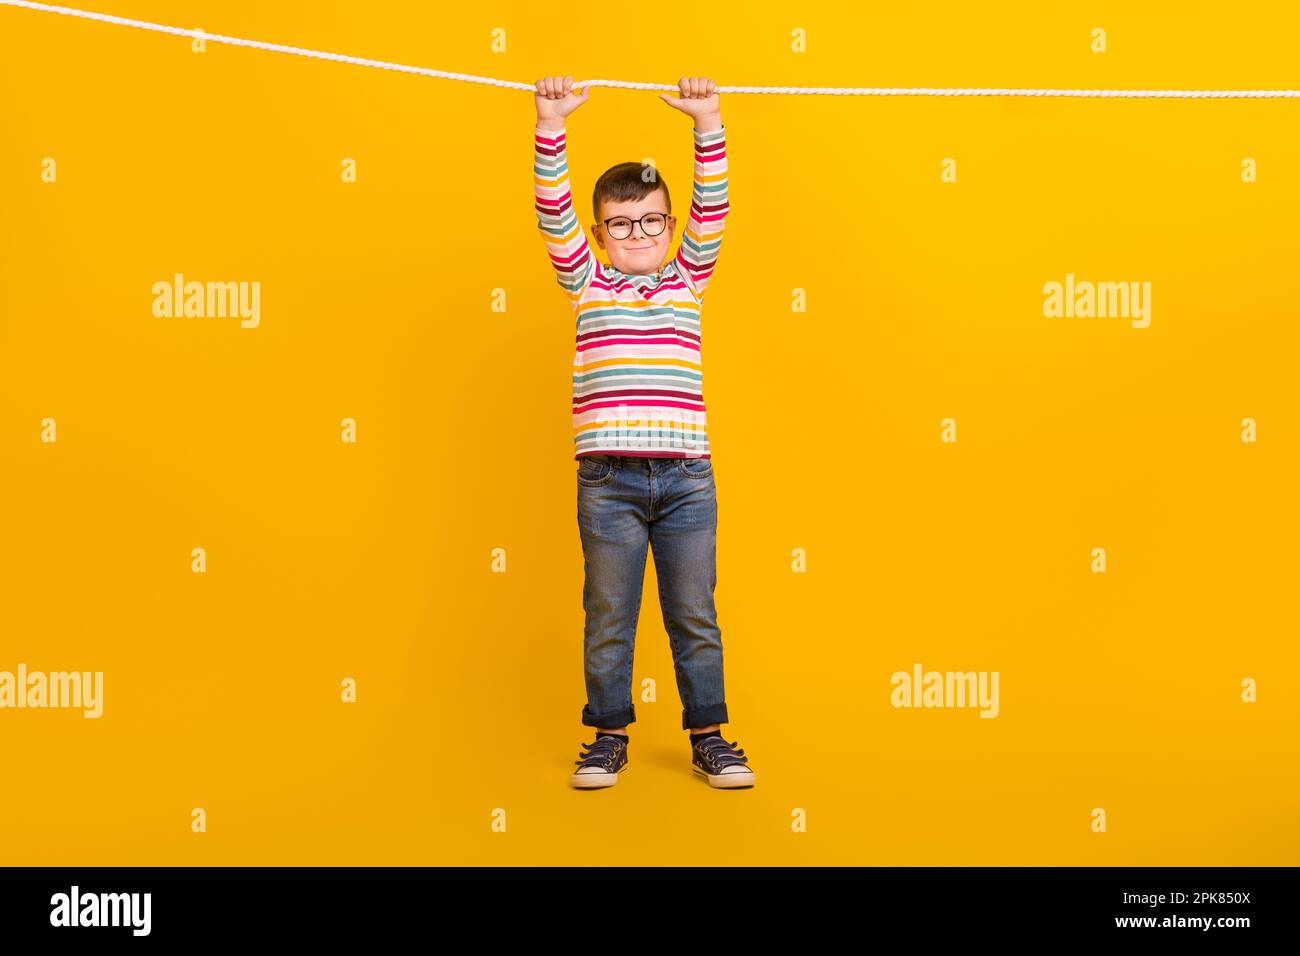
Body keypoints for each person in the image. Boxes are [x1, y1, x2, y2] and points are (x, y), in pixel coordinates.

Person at [533, 74, 755, 789]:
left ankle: (710, 735)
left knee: (693, 612)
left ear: (669, 226)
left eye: (652, 221)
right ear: (601, 234)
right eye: (622, 225)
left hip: (687, 478)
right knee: (608, 614)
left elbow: (712, 206)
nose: (638, 236)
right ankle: (606, 735)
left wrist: (708, 123)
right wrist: (551, 122)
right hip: (609, 480)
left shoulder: (689, 278)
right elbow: (552, 211)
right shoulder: (587, 281)